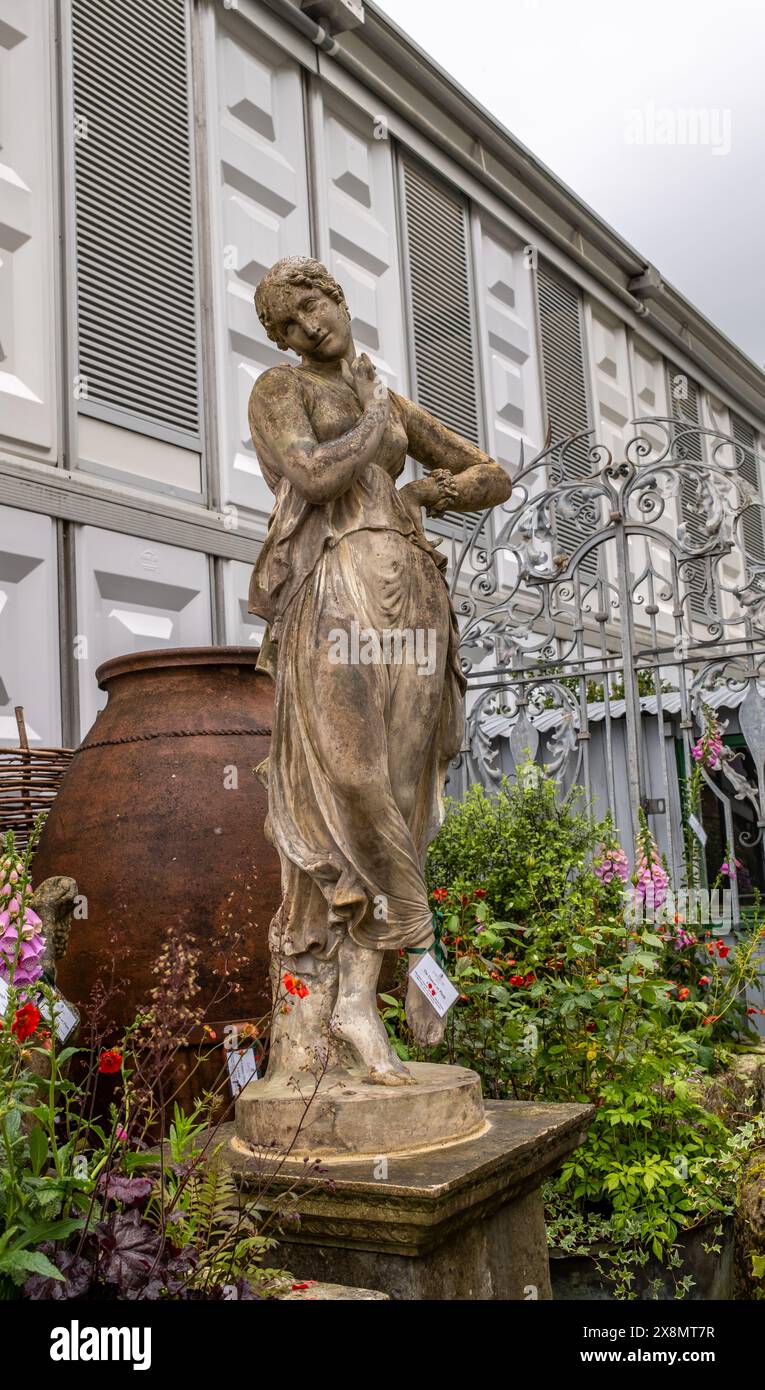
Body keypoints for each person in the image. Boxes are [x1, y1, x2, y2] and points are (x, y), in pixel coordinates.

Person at [248, 256, 511, 1084]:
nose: (308, 327)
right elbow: (316, 474)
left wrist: (432, 496)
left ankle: (361, 1006)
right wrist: (369, 419)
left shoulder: (387, 397)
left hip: (413, 591)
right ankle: (418, 939)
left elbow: (492, 474)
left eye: (312, 306)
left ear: (335, 296)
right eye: (289, 323)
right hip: (335, 590)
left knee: (401, 792)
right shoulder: (281, 391)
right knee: (351, 782)